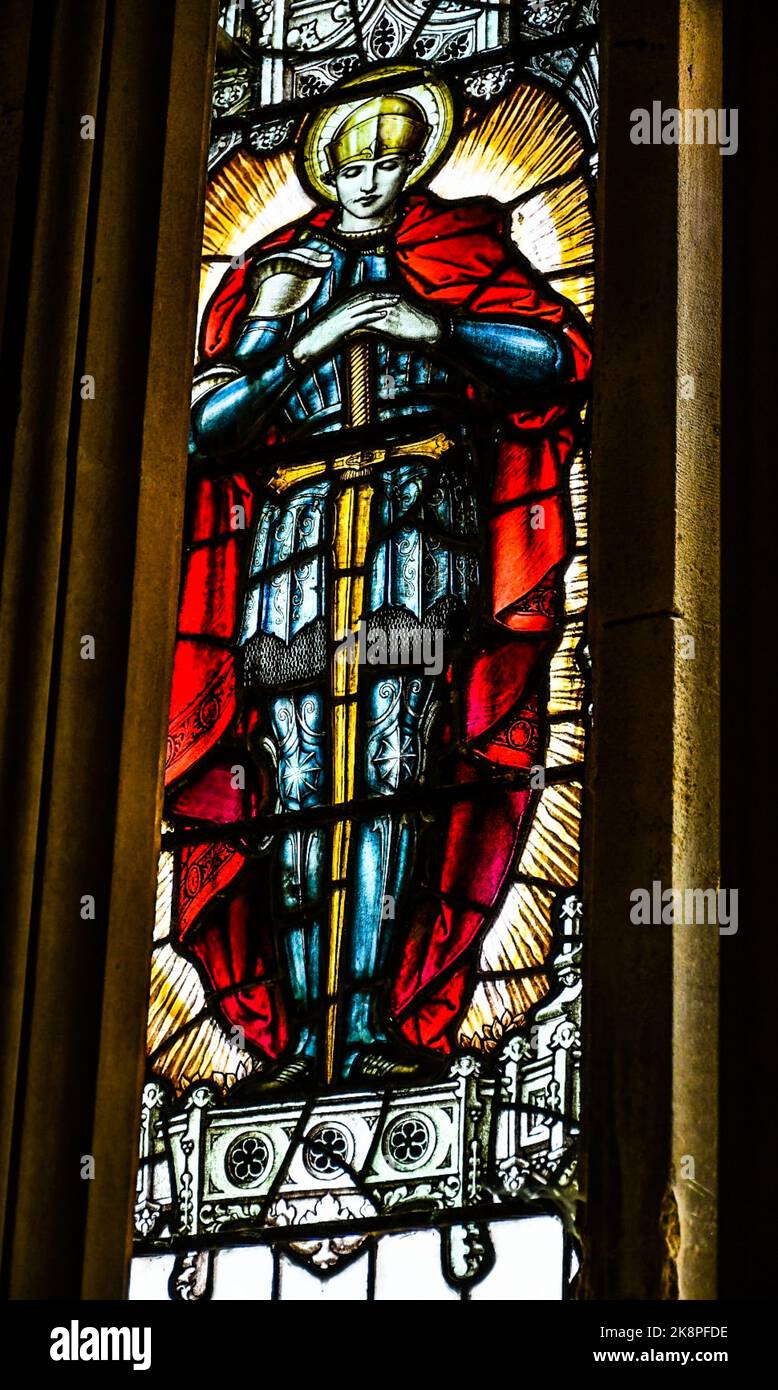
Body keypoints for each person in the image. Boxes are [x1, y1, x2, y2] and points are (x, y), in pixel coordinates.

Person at [166, 67, 592, 1092]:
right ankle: (295, 1040)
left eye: (387, 155)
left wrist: (431, 327)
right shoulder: (276, 273)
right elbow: (200, 424)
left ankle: (380, 1025)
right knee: (295, 774)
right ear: (325, 164)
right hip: (294, 546)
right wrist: (294, 341)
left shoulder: (464, 249)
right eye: (349, 157)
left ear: (412, 162)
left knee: (405, 759)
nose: (366, 175)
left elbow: (558, 357)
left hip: (418, 532)